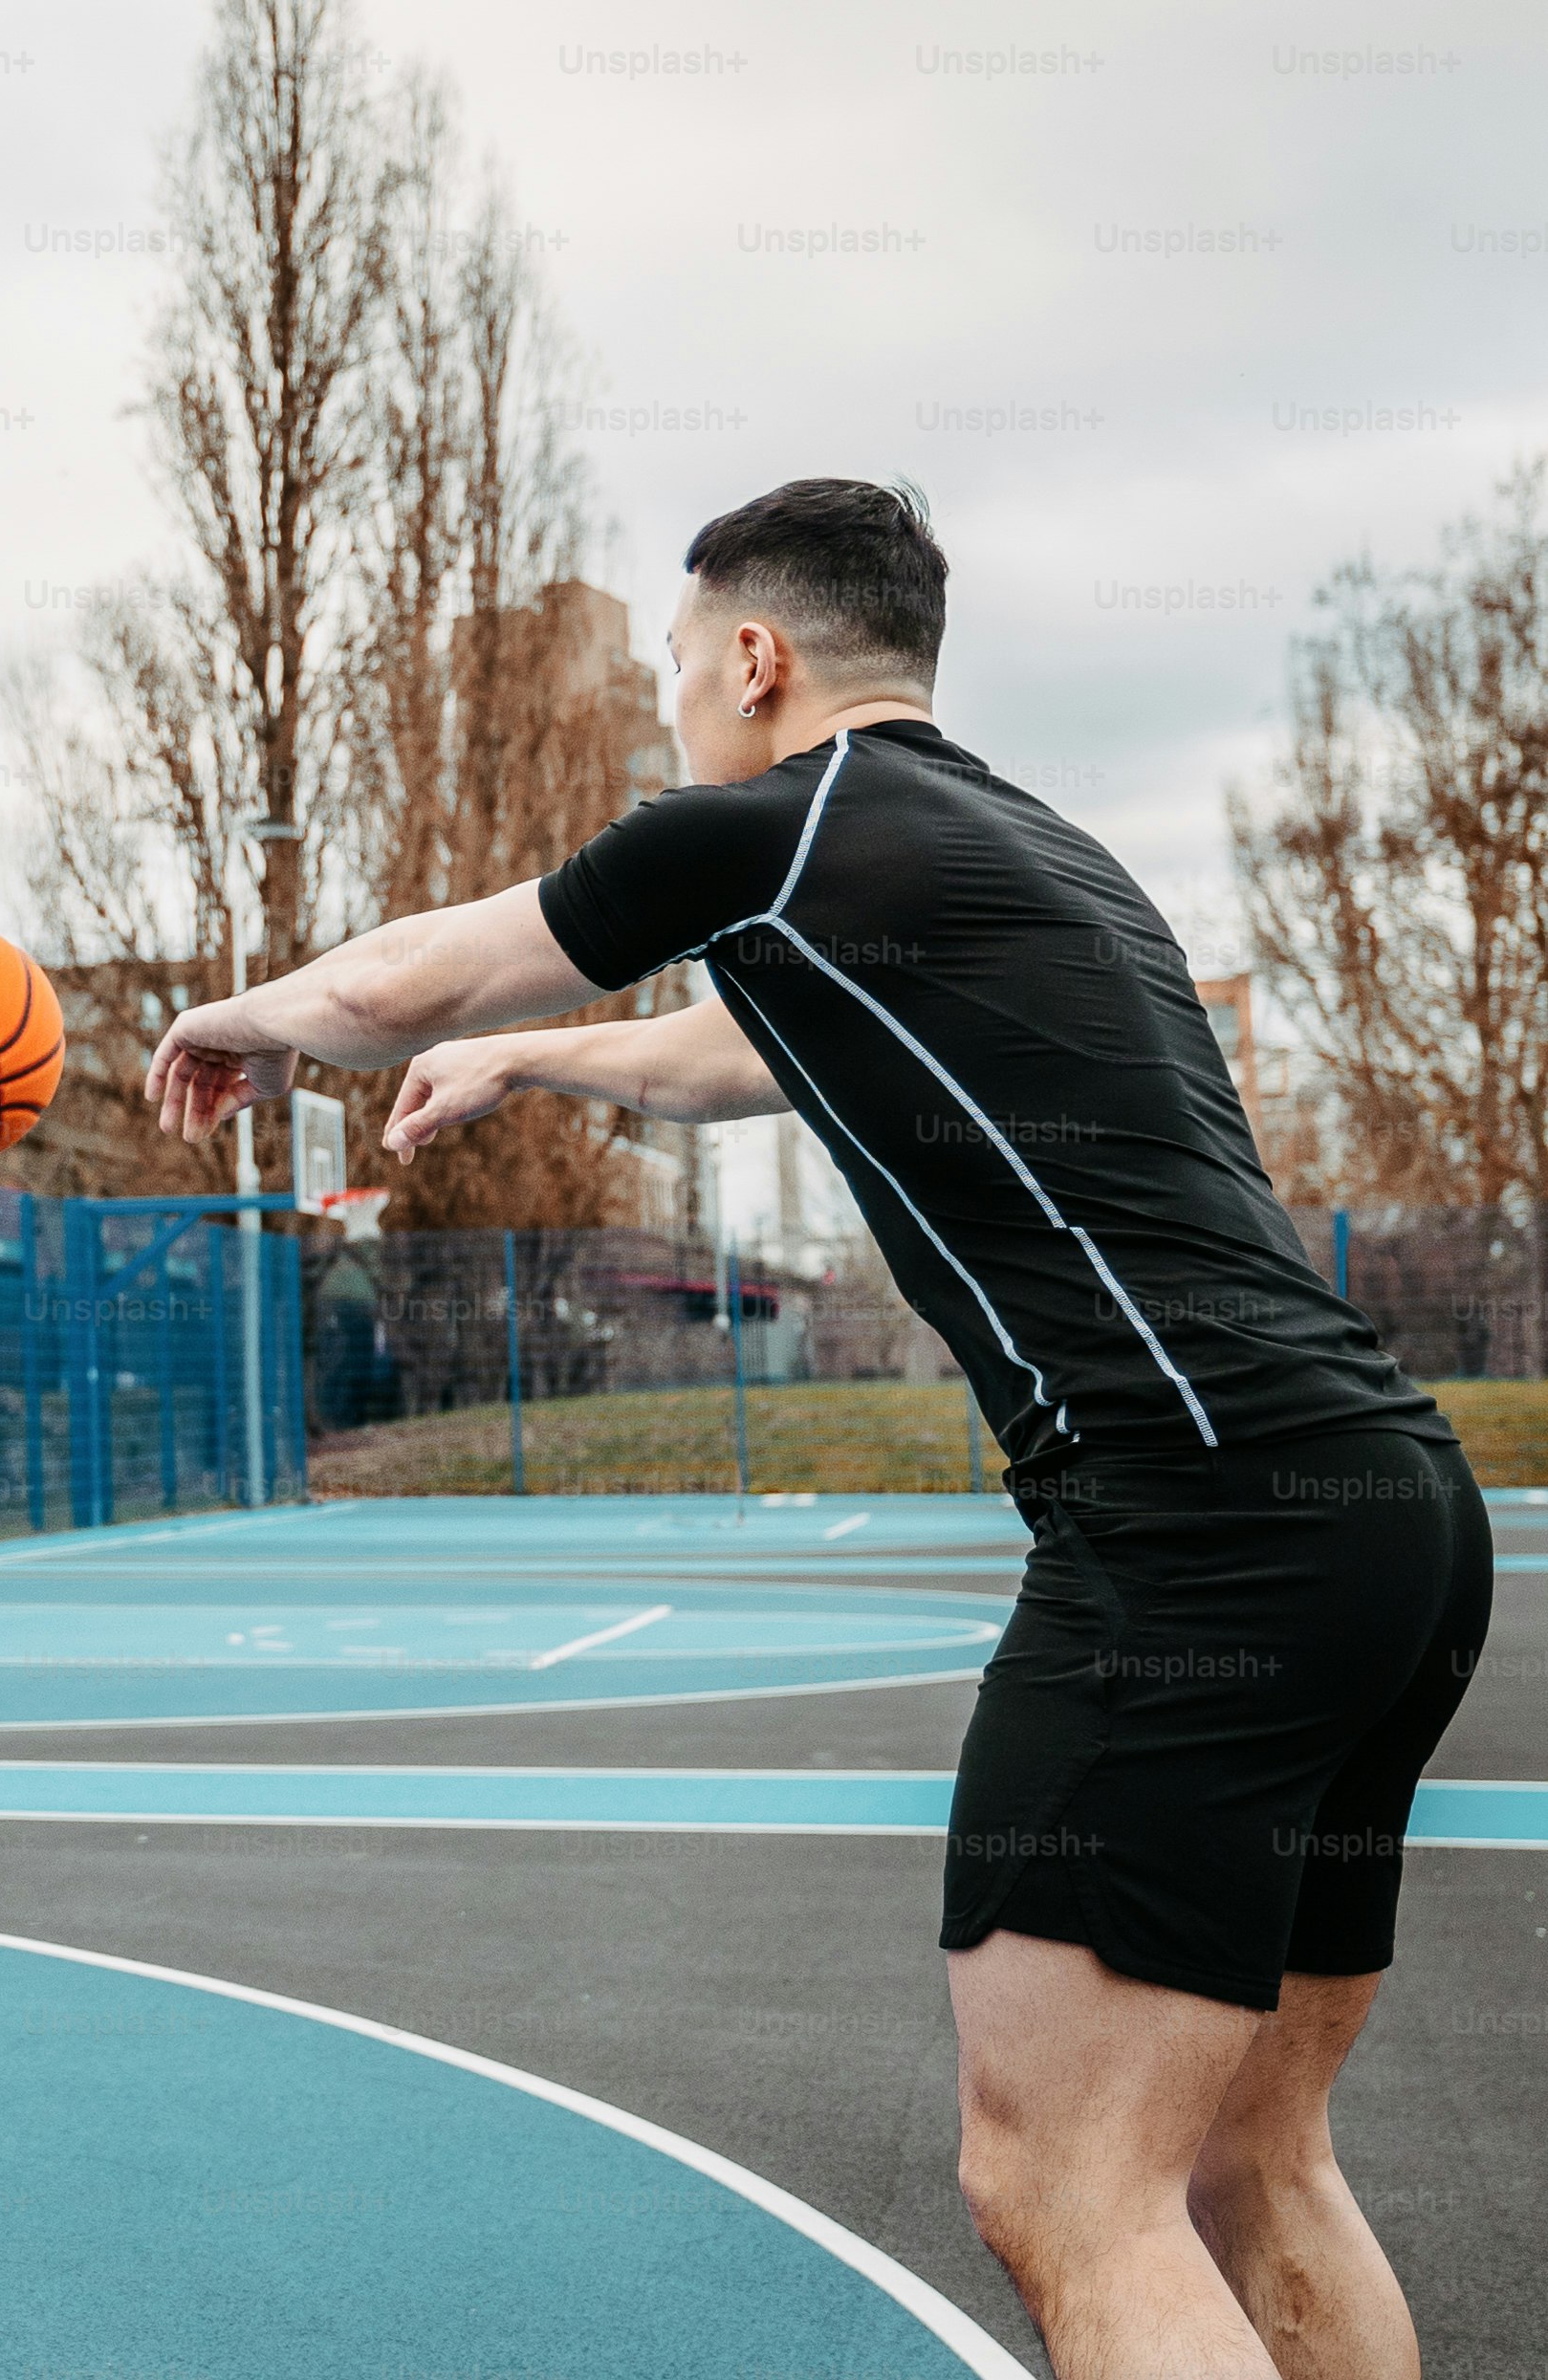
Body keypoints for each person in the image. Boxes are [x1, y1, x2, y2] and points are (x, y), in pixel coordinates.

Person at [142, 479, 1483, 2380]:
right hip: (1386, 1508)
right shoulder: (1029, 853)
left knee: (1076, 2188)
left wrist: (254, 1011)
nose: (677, 714)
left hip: (1196, 1527)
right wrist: (533, 1051)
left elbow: (410, 967)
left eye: (682, 672)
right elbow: (725, 1052)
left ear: (755, 660)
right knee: (1259, 2157)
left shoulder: (778, 821)